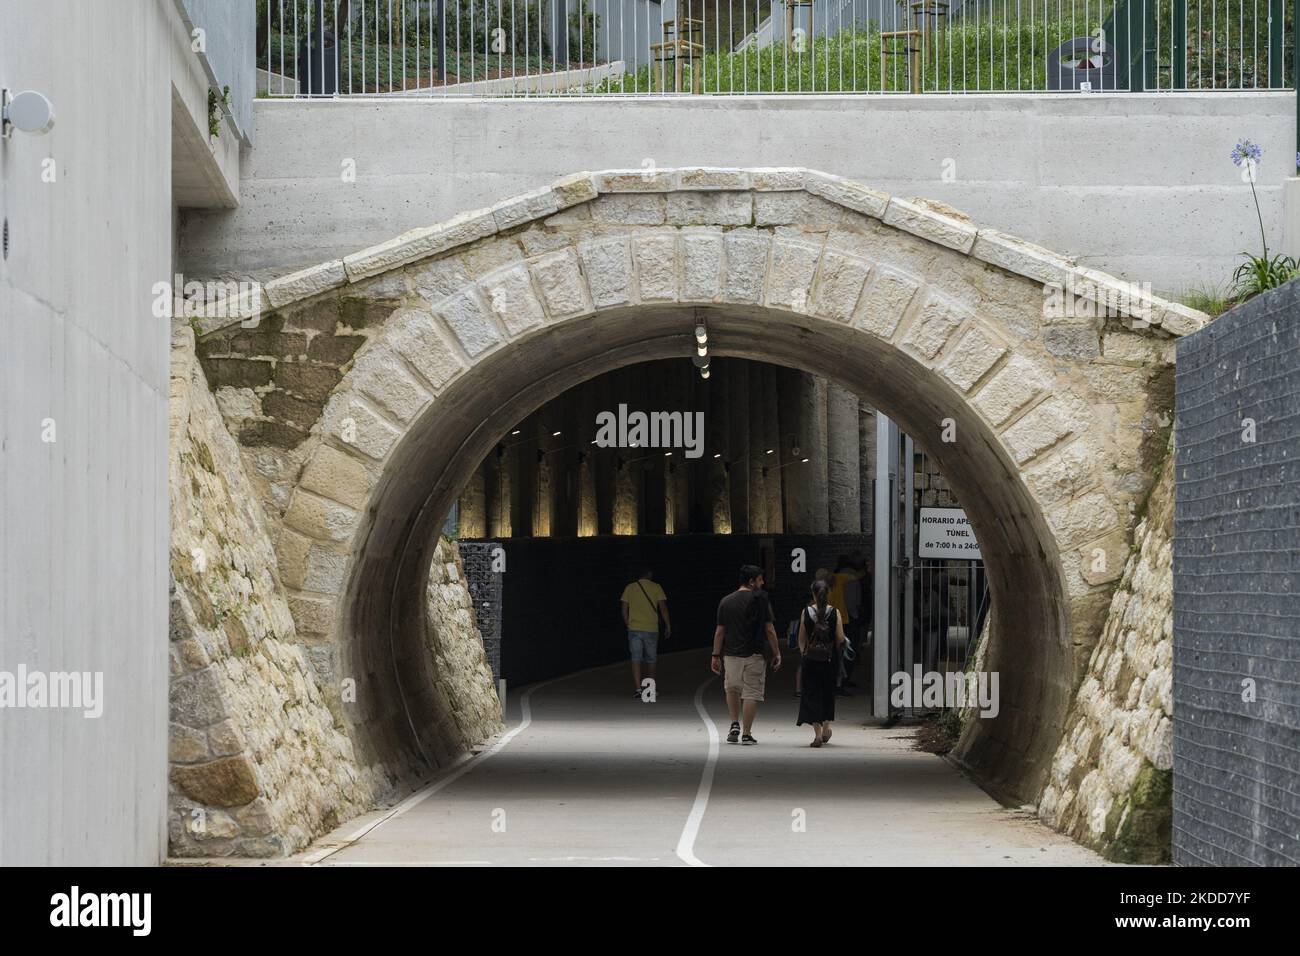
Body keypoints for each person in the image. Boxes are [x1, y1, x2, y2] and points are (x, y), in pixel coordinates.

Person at [711, 564, 782, 745]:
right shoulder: (762, 601)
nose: (763, 582)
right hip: (755, 654)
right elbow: (769, 629)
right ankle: (746, 734)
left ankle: (734, 724)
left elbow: (720, 631)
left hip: (731, 654)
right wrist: (777, 652)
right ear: (751, 582)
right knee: (751, 693)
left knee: (732, 689)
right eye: (760, 579)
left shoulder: (726, 601)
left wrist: (715, 655)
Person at [797, 578, 846, 747]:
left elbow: (801, 639)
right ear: (828, 593)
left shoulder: (806, 612)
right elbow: (840, 638)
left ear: (813, 593)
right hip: (829, 660)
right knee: (827, 693)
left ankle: (817, 735)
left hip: (811, 660)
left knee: (812, 695)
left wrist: (804, 654)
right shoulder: (835, 613)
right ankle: (826, 729)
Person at [620, 569, 670, 699]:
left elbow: (624, 609)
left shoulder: (629, 588)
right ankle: (650, 688)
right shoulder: (656, 587)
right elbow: (663, 608)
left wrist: (628, 624)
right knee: (651, 660)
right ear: (649, 574)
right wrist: (668, 625)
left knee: (636, 658)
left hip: (634, 629)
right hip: (651, 629)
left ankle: (638, 689)